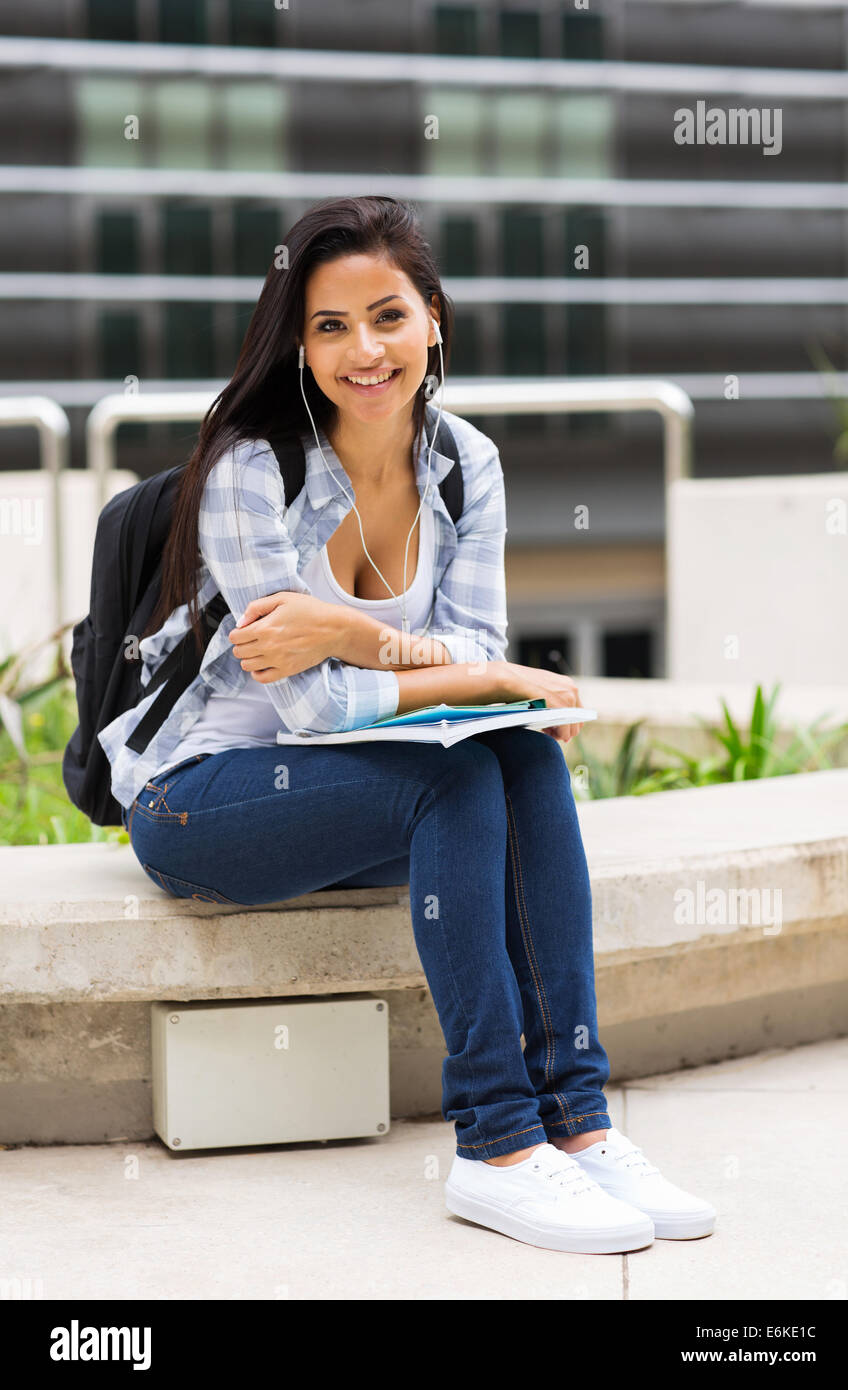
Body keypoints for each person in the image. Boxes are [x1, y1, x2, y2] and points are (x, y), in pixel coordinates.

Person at [99, 195, 715, 1255]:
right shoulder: (253, 472)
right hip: (204, 798)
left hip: (353, 788)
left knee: (515, 749)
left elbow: (476, 671)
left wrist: (397, 654)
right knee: (456, 773)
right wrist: (383, 642)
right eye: (329, 326)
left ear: (432, 319)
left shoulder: (465, 464)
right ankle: (494, 1143)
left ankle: (576, 1120)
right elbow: (308, 703)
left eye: (386, 316)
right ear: (297, 344)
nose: (363, 350)